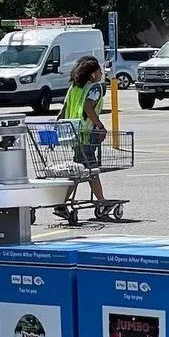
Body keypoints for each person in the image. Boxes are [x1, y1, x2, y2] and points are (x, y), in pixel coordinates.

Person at [56, 55, 109, 217]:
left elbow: (64, 110)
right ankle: (100, 202)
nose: (101, 73)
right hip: (86, 135)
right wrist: (100, 126)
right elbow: (88, 108)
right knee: (90, 170)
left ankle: (64, 203)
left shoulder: (74, 88)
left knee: (81, 170)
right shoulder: (95, 88)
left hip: (72, 134)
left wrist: (57, 126)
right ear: (93, 74)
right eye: (99, 70)